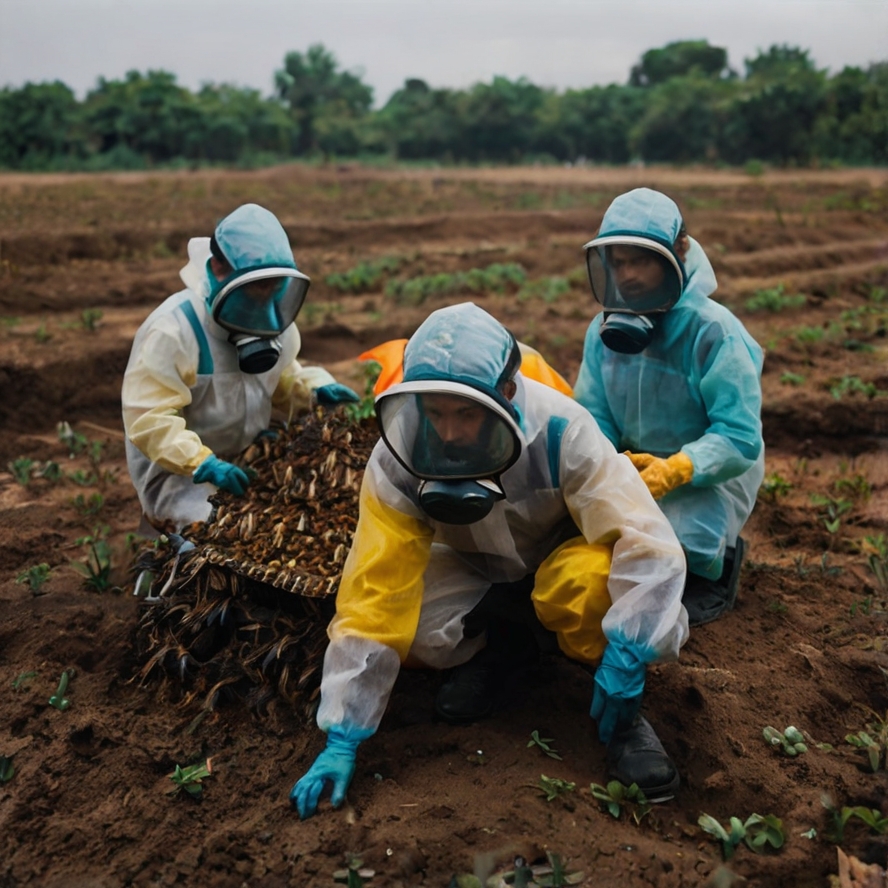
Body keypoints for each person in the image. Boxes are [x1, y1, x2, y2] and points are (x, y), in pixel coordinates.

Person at [290, 302, 689, 820]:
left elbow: (645, 540)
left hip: (560, 558)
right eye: (435, 413)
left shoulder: (562, 432)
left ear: (506, 393)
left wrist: (631, 652)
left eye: (466, 414)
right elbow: (375, 587)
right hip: (477, 569)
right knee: (413, 627)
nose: (448, 433)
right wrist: (343, 734)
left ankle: (625, 718)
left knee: (590, 586)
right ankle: (505, 646)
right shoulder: (398, 458)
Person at [573, 188, 764, 627]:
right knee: (591, 537)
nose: (628, 275)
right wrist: (601, 463)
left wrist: (678, 468)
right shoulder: (601, 333)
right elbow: (594, 413)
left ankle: (717, 567)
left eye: (641, 261)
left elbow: (738, 436)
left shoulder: (714, 332)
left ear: (679, 251)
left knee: (681, 544)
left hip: (707, 474)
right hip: (636, 465)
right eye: (619, 262)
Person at [122, 203, 358, 534]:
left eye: (275, 287)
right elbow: (149, 419)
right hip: (182, 475)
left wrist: (312, 390)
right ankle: (164, 555)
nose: (266, 302)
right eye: (257, 289)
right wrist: (202, 462)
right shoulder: (174, 331)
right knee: (219, 530)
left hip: (250, 457)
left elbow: (279, 378)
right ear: (217, 268)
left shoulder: (271, 317)